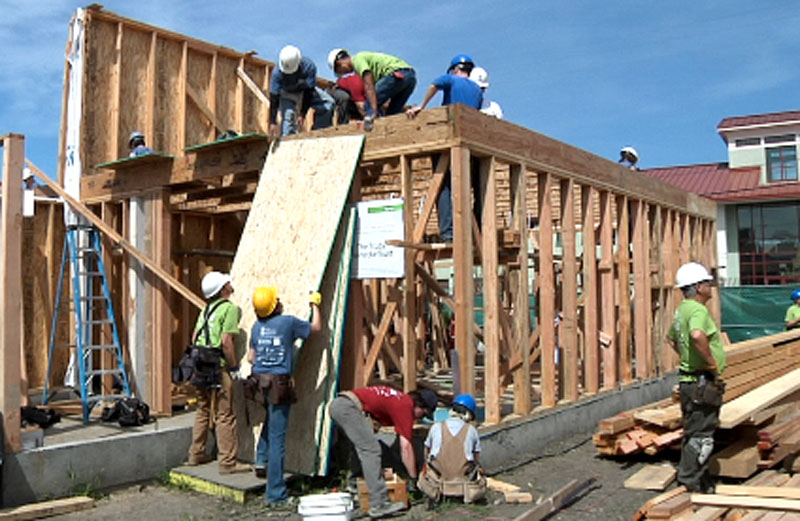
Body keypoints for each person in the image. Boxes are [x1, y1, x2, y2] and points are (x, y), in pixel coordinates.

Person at [249, 286, 322, 507]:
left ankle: (260, 459)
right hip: (279, 385)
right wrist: (315, 305)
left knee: (270, 421)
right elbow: (316, 329)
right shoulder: (288, 322)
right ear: (275, 305)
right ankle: (276, 494)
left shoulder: (256, 326)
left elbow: (251, 358)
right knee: (278, 440)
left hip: (259, 382)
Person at [328, 386, 438, 519]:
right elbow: (406, 448)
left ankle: (356, 489)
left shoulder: (399, 399)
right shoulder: (406, 406)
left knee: (364, 445)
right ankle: (379, 504)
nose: (420, 419)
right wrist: (414, 479)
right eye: (424, 414)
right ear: (420, 406)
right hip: (347, 408)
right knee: (371, 449)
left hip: (343, 404)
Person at [406, 54, 483, 243]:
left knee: (444, 185)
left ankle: (448, 233)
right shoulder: (478, 90)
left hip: (447, 138)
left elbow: (434, 85)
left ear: (455, 68)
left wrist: (421, 107)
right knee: (467, 186)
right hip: (468, 145)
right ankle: (473, 231)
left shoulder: (450, 79)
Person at [667, 262, 727, 493]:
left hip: (690, 381)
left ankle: (695, 479)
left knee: (693, 431)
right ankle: (692, 485)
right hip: (702, 382)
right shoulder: (698, 310)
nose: (711, 287)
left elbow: (672, 338)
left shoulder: (682, 309)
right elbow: (696, 335)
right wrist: (710, 363)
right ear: (698, 286)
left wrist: (689, 359)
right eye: (708, 283)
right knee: (702, 436)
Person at [187, 271, 250, 474]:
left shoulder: (206, 310)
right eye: (227, 282)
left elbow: (195, 335)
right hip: (217, 364)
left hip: (200, 363)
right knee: (225, 413)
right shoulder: (228, 309)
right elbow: (226, 342)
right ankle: (228, 462)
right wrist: (233, 367)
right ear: (222, 289)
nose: (231, 284)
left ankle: (196, 454)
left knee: (203, 408)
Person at [418, 394, 486, 504]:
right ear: (468, 415)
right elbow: (476, 458)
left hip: (437, 479)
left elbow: (427, 451)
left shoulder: (436, 427)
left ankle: (435, 492)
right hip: (462, 481)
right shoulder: (471, 430)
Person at [328, 49, 416, 130]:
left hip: (396, 75)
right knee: (392, 114)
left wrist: (372, 111)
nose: (344, 73)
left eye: (341, 71)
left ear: (340, 62)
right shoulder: (364, 59)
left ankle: (371, 130)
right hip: (410, 77)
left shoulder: (357, 60)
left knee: (369, 105)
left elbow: (369, 85)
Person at [269, 45, 334, 137]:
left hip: (305, 91)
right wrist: (272, 122)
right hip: (287, 94)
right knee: (289, 118)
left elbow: (309, 92)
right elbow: (274, 98)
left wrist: (303, 113)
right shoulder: (277, 73)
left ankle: (318, 134)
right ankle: (288, 143)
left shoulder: (309, 67)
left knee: (328, 104)